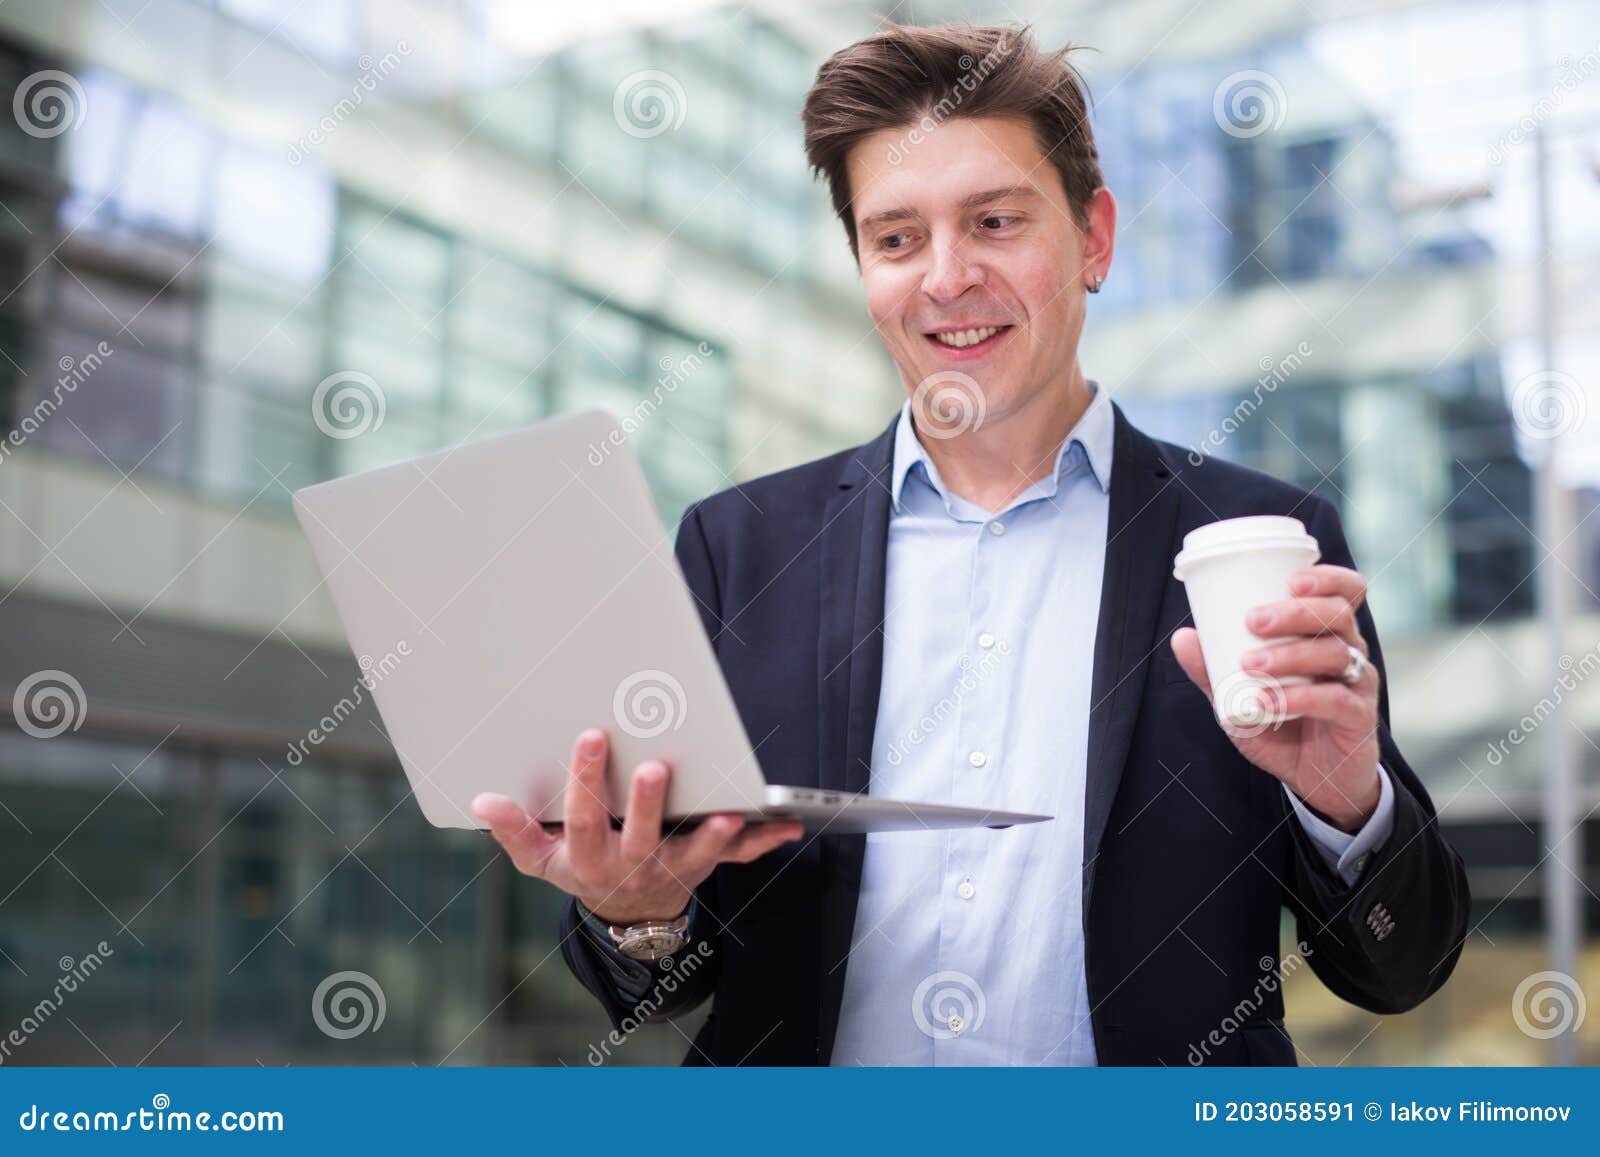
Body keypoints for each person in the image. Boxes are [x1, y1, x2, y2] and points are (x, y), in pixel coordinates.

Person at [472, 21, 1469, 1066]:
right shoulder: (738, 545)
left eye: (994, 220)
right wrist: (640, 909)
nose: (946, 277)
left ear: (1093, 237)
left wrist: (1344, 797)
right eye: (896, 238)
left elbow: (1394, 967)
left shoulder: (1256, 542)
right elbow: (661, 980)